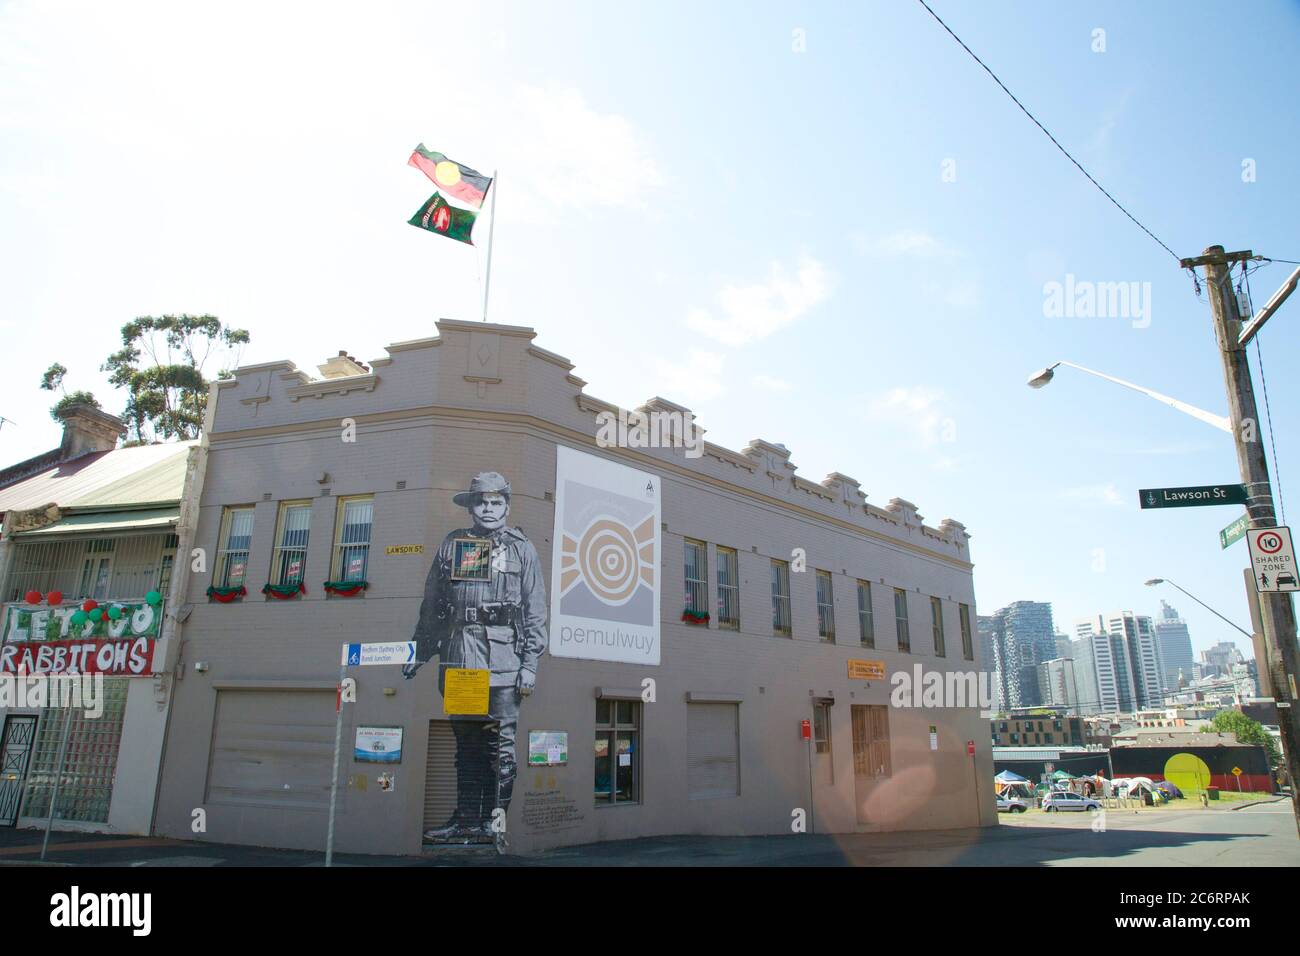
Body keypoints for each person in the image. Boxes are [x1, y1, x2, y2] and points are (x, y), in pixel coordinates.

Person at [403, 472, 547, 841]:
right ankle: (467, 820)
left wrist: (530, 663)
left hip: (503, 661)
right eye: (481, 501)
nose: (488, 508)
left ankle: (495, 823)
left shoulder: (521, 549)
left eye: (495, 502)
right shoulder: (453, 545)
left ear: (506, 506)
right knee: (467, 743)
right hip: (462, 657)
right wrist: (420, 651)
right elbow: (432, 605)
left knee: (500, 745)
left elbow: (535, 610)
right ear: (471, 507)